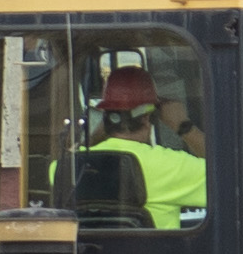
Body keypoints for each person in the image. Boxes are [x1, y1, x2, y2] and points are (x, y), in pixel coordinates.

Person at [89, 64, 208, 230]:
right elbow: (228, 180)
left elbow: (58, 169)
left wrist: (95, 136)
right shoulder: (169, 167)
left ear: (106, 118)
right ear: (146, 117)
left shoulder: (77, 166)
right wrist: (184, 126)